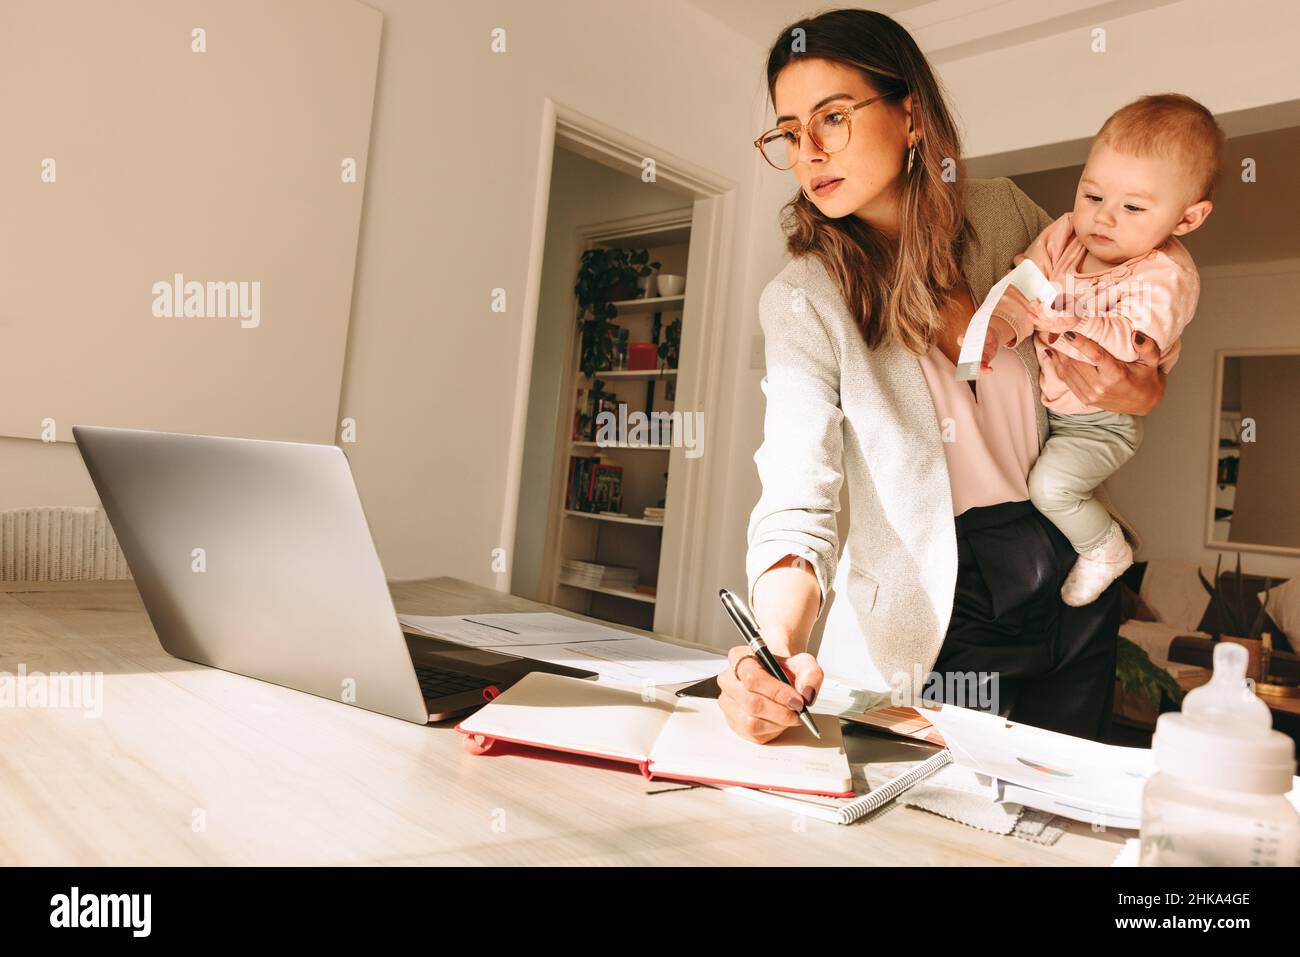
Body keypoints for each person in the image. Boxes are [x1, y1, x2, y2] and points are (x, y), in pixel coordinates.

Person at [721, 8, 1168, 745]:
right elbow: (798, 496)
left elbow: (1110, 335)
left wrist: (1142, 386)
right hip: (937, 597)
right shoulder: (804, 299)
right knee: (933, 829)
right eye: (789, 132)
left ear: (912, 116)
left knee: (1056, 809)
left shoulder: (1003, 213)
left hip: (1065, 555)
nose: (808, 152)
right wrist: (774, 640)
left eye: (832, 117)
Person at [966, 94, 1221, 607]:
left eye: (1132, 207)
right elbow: (1023, 290)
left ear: (1187, 219)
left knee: (1051, 489)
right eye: (1092, 195)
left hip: (1102, 422)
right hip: (1052, 409)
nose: (1103, 219)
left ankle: (1106, 549)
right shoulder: (1064, 236)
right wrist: (999, 331)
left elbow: (1136, 341)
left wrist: (1078, 320)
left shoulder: (1165, 274)